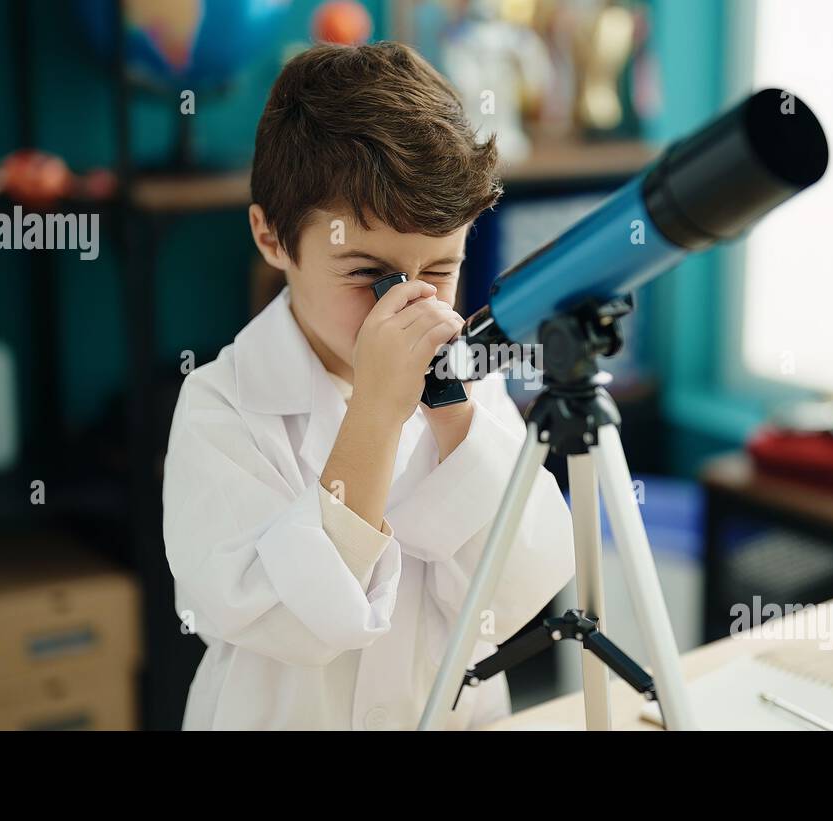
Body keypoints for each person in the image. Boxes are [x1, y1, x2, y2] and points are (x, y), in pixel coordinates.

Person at [162, 42, 575, 730]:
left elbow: (517, 587)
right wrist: (376, 418)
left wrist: (456, 423)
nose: (407, 307)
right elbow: (286, 620)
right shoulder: (218, 406)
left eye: (440, 271)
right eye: (368, 276)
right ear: (271, 236)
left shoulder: (473, 389)